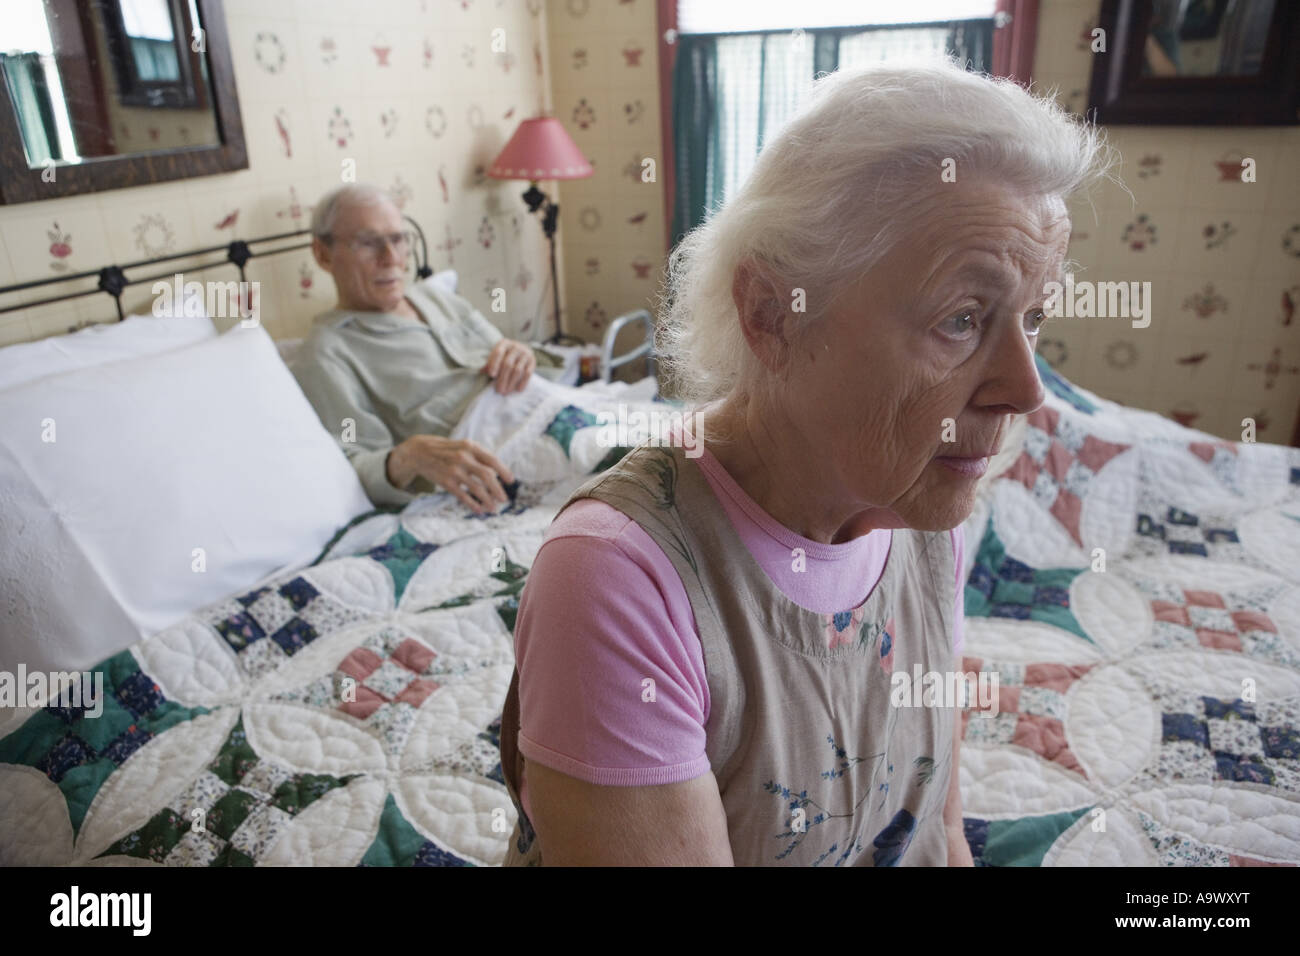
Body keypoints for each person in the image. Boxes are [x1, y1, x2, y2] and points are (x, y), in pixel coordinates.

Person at [498, 57, 1114, 866]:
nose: (1027, 390)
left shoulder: (926, 515)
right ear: (771, 316)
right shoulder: (617, 578)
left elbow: (937, 830)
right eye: (962, 318)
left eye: (1032, 318)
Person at [292, 184, 561, 513]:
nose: (391, 258)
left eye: (398, 239)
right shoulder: (327, 353)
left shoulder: (434, 297)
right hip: (496, 457)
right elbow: (350, 464)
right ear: (322, 254)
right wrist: (408, 457)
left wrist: (522, 354)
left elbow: (510, 357)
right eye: (367, 243)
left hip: (548, 406)